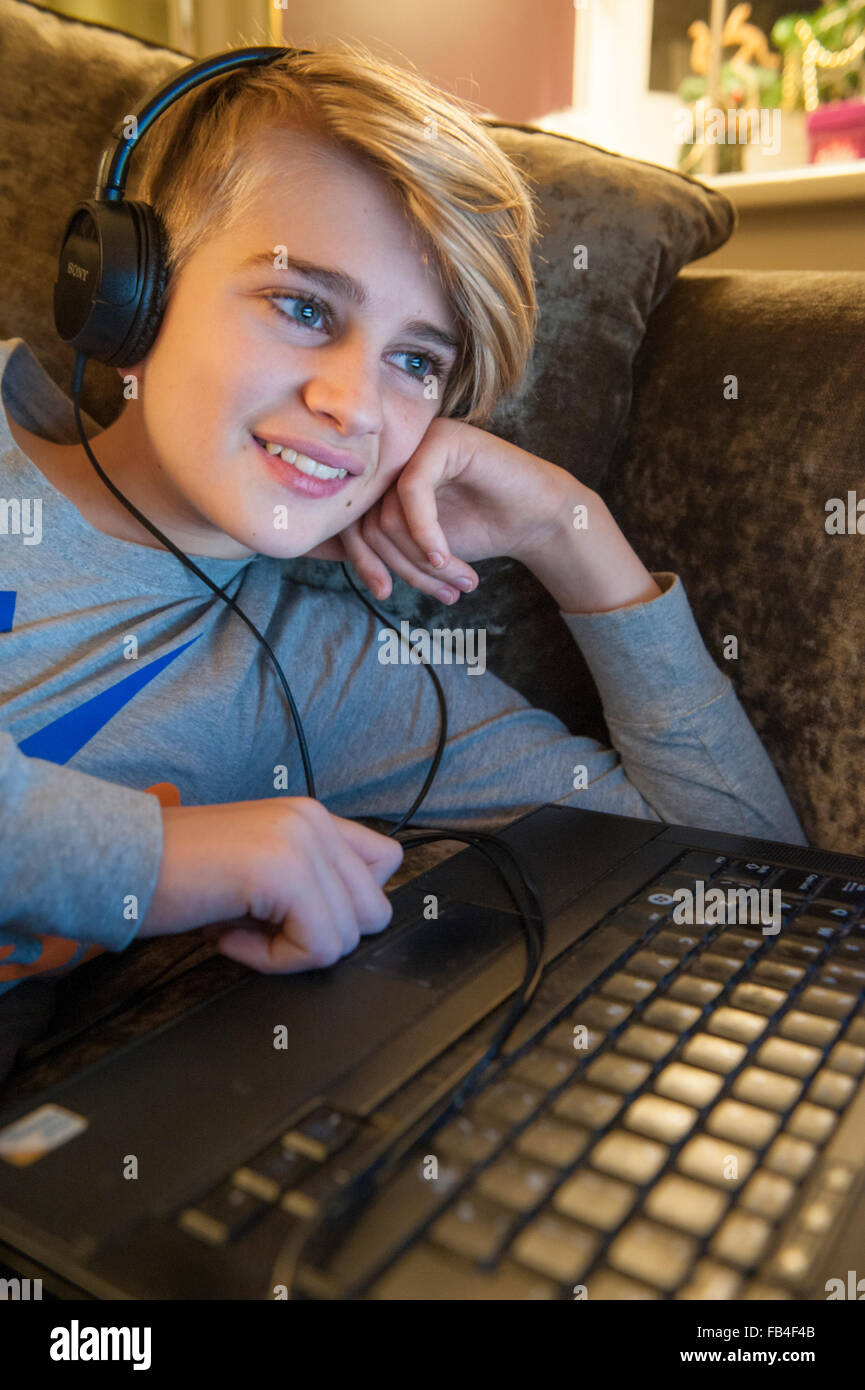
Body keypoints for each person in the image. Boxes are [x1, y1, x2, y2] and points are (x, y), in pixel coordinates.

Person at [0, 42, 806, 1083]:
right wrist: (164, 858)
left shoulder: (324, 678)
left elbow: (747, 886)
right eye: (303, 308)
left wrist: (569, 528)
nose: (355, 402)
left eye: (415, 362)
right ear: (129, 293)